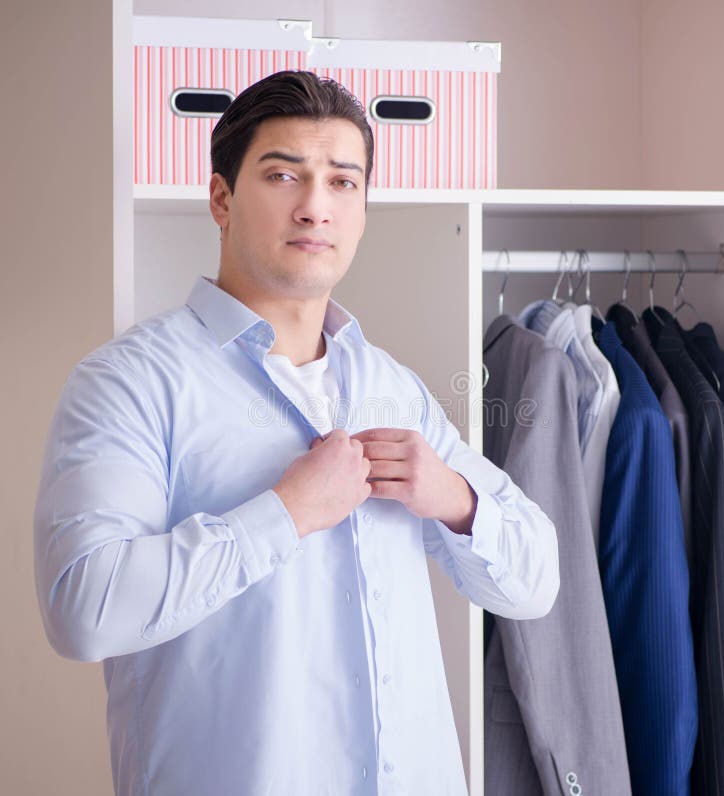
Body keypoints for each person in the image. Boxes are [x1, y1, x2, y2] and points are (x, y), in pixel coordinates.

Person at [33, 70, 559, 795]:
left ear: (363, 210)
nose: (315, 207)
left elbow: (536, 582)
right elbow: (84, 611)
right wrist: (285, 514)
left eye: (343, 182)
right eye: (283, 176)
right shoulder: (129, 382)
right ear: (221, 199)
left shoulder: (393, 388)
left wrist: (455, 499)